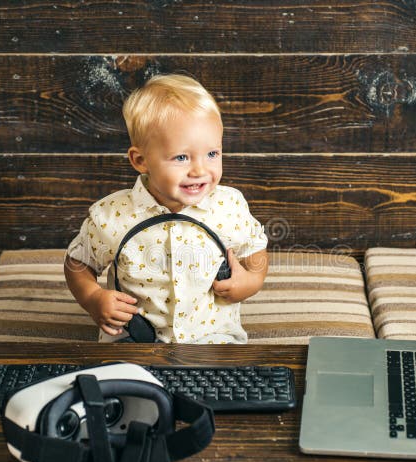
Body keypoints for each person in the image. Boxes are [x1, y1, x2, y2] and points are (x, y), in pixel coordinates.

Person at [65, 74, 268, 344]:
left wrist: (250, 282)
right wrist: (92, 298)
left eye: (212, 154)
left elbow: (255, 249)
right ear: (140, 160)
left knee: (232, 384)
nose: (200, 170)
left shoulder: (228, 207)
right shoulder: (112, 216)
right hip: (132, 343)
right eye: (181, 157)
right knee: (118, 384)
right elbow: (78, 262)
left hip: (215, 341)